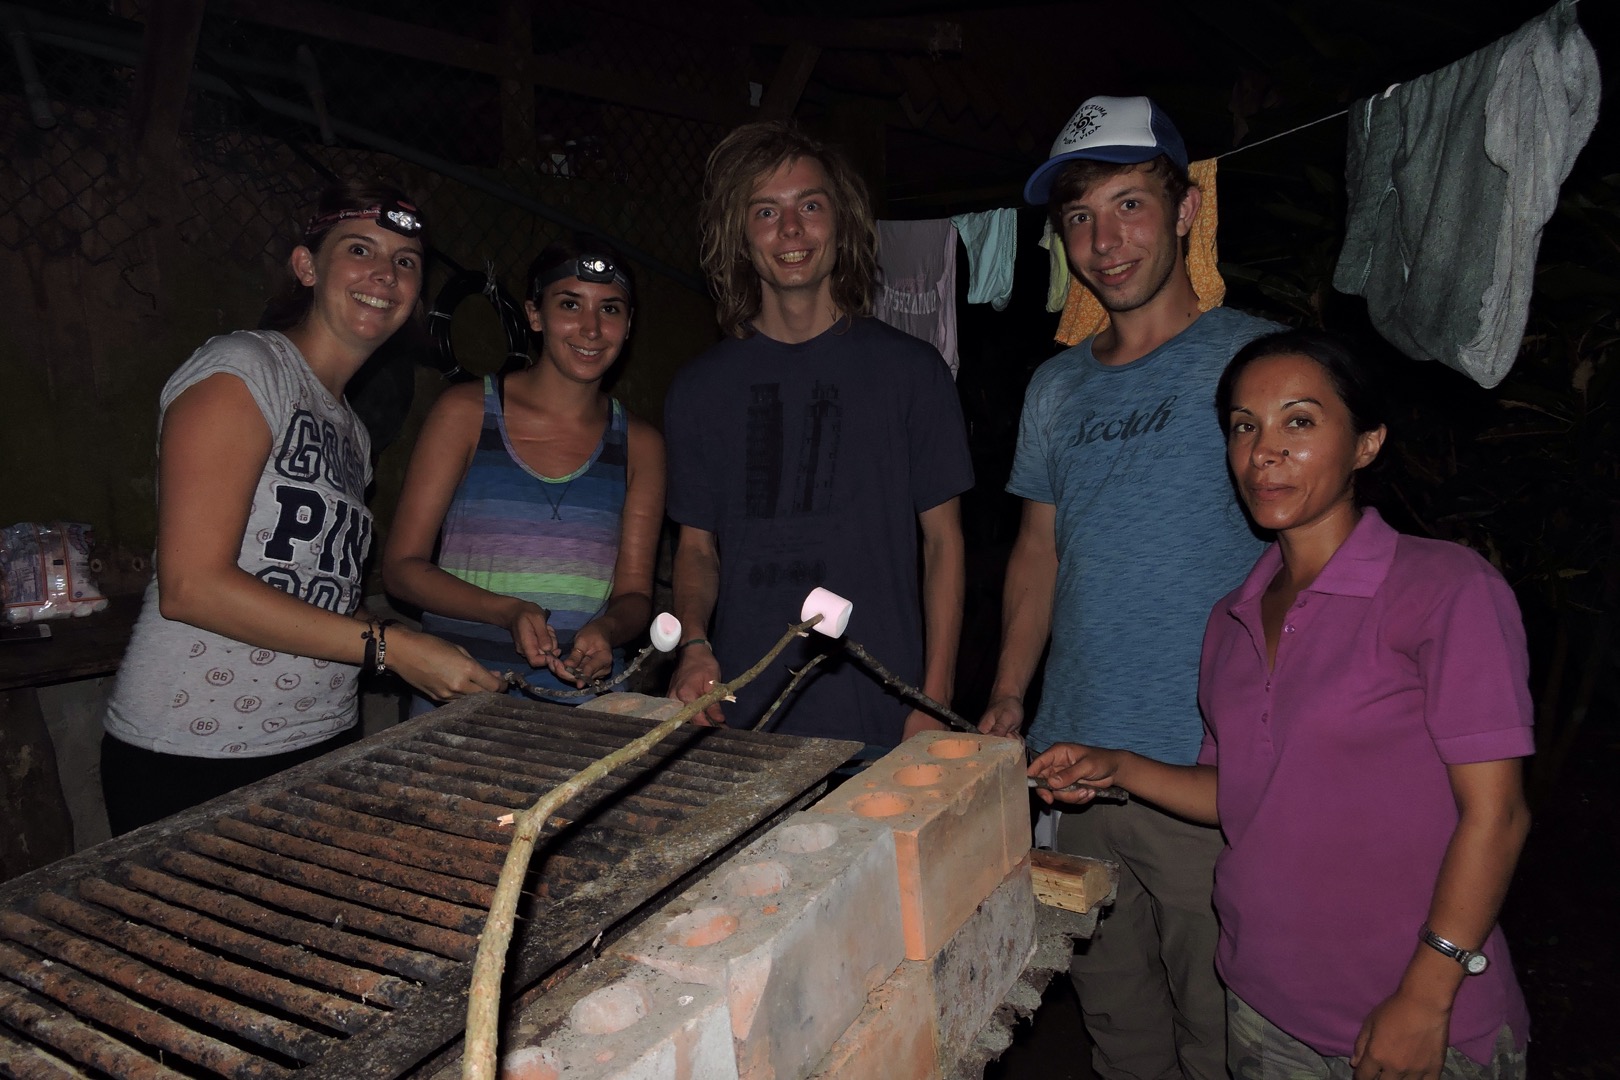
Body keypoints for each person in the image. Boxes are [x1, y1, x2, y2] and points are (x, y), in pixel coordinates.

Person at [1030, 328, 1532, 1079]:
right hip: (1262, 1007)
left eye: (1300, 421)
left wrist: (1427, 996)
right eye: (1244, 426)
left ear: (1366, 444)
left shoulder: (1443, 590)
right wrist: (1118, 765)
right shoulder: (1234, 615)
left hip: (1413, 1011)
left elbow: (1499, 814)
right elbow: (1238, 795)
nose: (1264, 450)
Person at [978, 95, 1279, 1078]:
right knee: (1119, 1033)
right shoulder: (1055, 386)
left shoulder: (1257, 364)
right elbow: (1036, 551)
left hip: (1209, 770)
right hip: (1072, 766)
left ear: (1186, 209)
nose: (1104, 243)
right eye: (1079, 217)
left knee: (1225, 1031)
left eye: (1129, 206)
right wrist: (1010, 699)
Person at [102, 181, 505, 836]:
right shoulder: (244, 368)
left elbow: (318, 598)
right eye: (360, 250)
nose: (385, 274)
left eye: (406, 261)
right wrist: (390, 648)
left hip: (318, 740)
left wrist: (426, 643)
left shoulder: (350, 430)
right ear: (307, 266)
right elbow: (191, 587)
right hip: (193, 752)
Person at [662, 121, 973, 750]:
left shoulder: (913, 373)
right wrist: (693, 645)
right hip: (743, 719)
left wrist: (932, 700)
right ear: (739, 237)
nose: (792, 230)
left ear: (843, 223)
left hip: (884, 719)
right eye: (766, 212)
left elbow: (944, 546)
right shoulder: (698, 390)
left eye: (809, 205)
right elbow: (695, 550)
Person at [382, 235, 663, 704]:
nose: (591, 329)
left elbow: (635, 594)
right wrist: (506, 611)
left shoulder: (641, 444)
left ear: (628, 324)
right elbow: (402, 569)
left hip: (586, 701)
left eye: (610, 309)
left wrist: (608, 629)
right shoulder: (467, 413)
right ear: (534, 315)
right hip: (460, 693)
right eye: (570, 304)